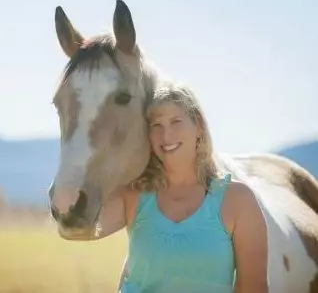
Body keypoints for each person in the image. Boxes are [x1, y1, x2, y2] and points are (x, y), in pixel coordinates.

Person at [59, 83, 269, 293]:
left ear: (199, 127)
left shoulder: (238, 200)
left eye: (176, 122)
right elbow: (74, 230)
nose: (166, 135)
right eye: (156, 125)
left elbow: (253, 288)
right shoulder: (134, 194)